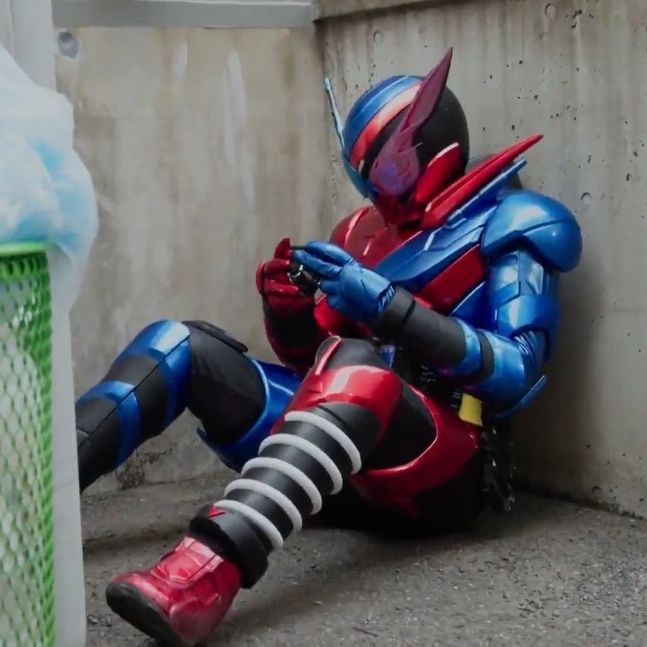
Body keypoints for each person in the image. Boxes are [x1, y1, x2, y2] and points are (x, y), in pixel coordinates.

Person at [76, 48, 582, 646]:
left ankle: (199, 577)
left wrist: (388, 307)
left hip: (444, 468)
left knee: (360, 371)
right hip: (339, 465)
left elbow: (517, 372)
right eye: (366, 175)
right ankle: (29, 500)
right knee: (178, 344)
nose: (377, 190)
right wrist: (290, 312)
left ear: (432, 146)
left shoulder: (513, 220)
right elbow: (311, 362)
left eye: (388, 171)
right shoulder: (361, 236)